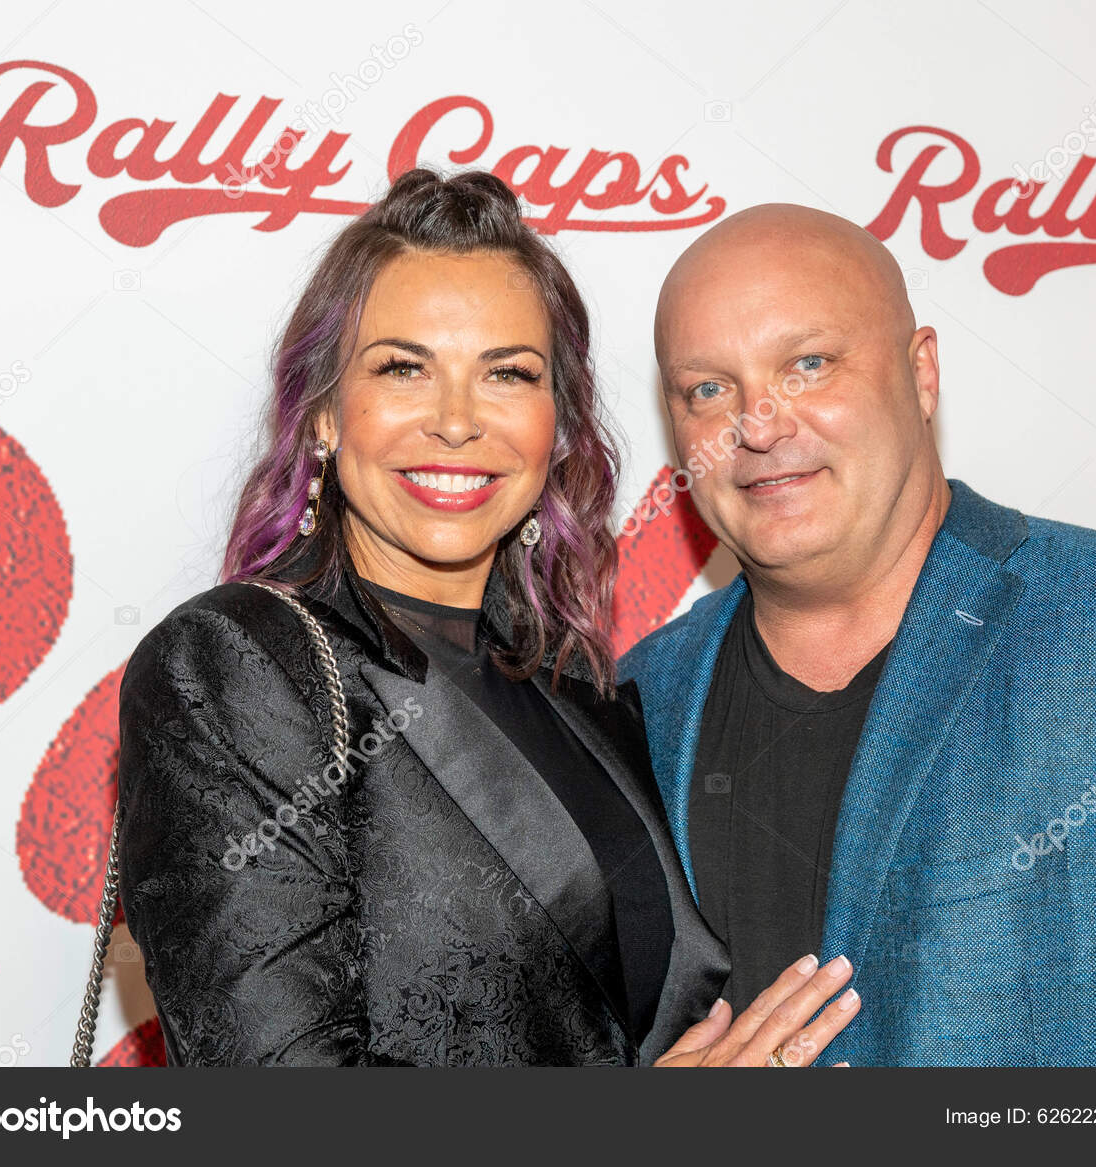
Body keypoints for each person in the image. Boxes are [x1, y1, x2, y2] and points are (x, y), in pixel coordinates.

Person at [115, 172, 860, 1066]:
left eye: (508, 373)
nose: (458, 422)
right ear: (321, 413)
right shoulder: (235, 666)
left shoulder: (576, 689)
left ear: (558, 424)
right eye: (403, 368)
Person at [619, 202, 1096, 1066]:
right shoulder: (640, 697)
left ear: (922, 373)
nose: (759, 426)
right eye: (708, 389)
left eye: (810, 363)